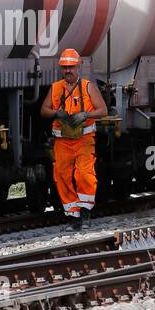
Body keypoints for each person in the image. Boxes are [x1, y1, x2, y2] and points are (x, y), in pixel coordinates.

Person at [40, 48, 108, 230]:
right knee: (61, 175)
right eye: (64, 67)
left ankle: (85, 212)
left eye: (71, 67)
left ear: (78, 67)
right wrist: (56, 113)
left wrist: (85, 115)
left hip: (84, 139)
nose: (68, 70)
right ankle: (73, 216)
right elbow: (43, 110)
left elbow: (103, 110)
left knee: (84, 174)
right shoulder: (55, 88)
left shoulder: (88, 87)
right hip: (62, 141)